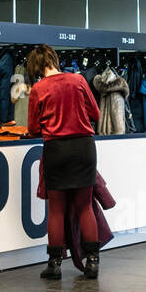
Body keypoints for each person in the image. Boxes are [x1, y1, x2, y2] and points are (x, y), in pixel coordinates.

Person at [27, 44, 103, 279]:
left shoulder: (38, 89)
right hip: (83, 148)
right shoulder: (79, 80)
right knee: (84, 206)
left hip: (56, 150)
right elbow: (96, 114)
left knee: (57, 210)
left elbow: (32, 129)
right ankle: (92, 261)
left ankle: (54, 264)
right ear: (54, 59)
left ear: (36, 66)